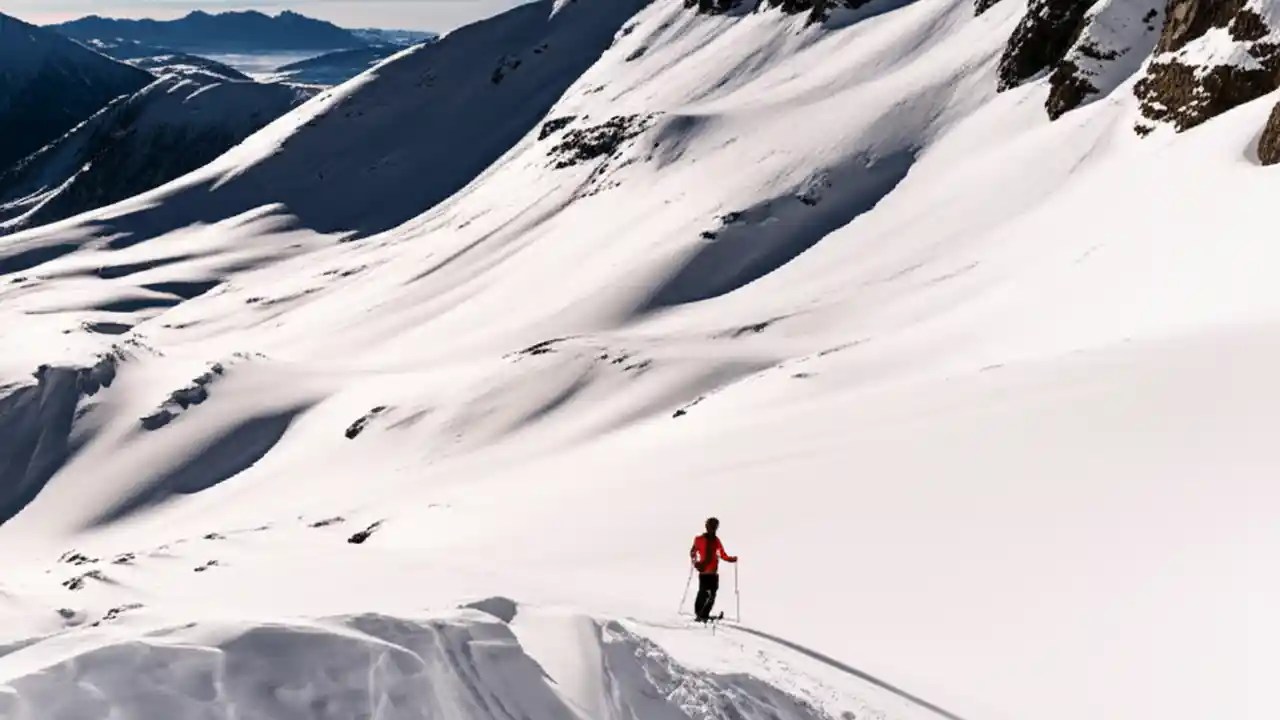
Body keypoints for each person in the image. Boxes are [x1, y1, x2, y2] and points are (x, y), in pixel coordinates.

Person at [690, 516, 737, 622]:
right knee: (705, 593)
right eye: (712, 527)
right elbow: (693, 552)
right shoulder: (700, 539)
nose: (714, 529)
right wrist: (695, 562)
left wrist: (731, 559)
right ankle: (701, 614)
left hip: (712, 572)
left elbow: (722, 554)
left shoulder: (715, 541)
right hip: (705, 572)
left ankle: (701, 614)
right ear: (708, 527)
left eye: (715, 527)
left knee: (708, 593)